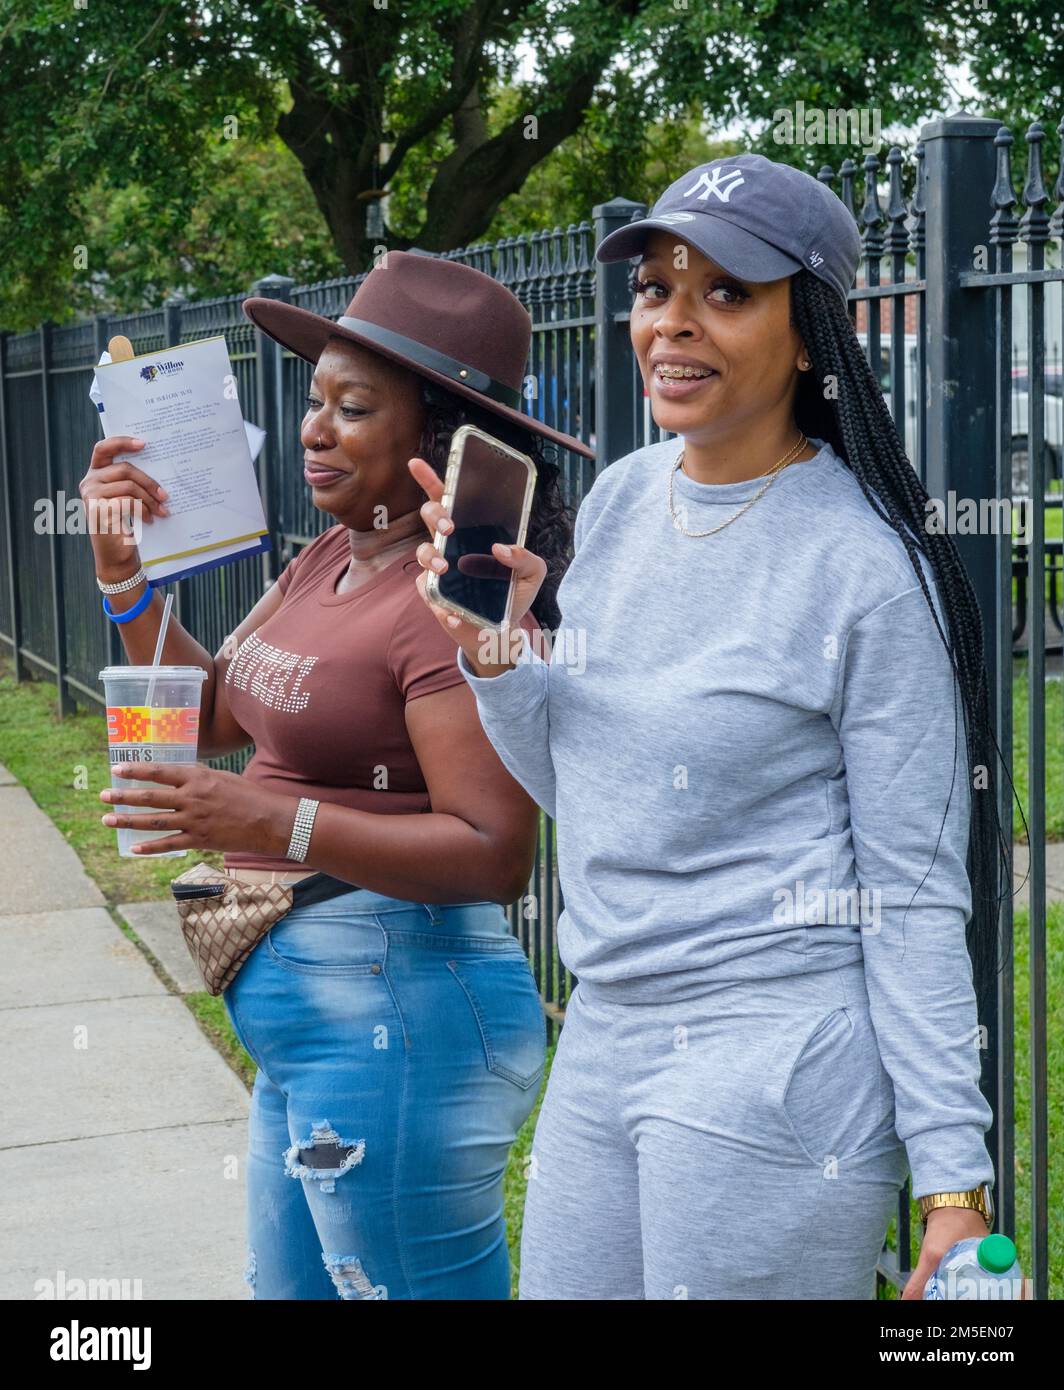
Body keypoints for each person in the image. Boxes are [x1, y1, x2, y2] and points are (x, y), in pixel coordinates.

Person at [411, 153, 1008, 1300]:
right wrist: (496, 653)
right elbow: (582, 783)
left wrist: (950, 1187)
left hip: (771, 1064)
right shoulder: (627, 499)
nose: (671, 323)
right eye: (654, 289)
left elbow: (913, 892)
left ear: (806, 334)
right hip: (605, 1033)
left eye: (725, 291)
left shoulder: (867, 574)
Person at [80, 251, 595, 1299]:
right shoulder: (333, 553)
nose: (314, 430)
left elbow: (494, 852)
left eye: (352, 408)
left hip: (402, 1022)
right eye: (315, 402)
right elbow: (212, 712)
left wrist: (264, 812)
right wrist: (124, 576)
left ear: (438, 439)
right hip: (310, 1032)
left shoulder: (448, 606)